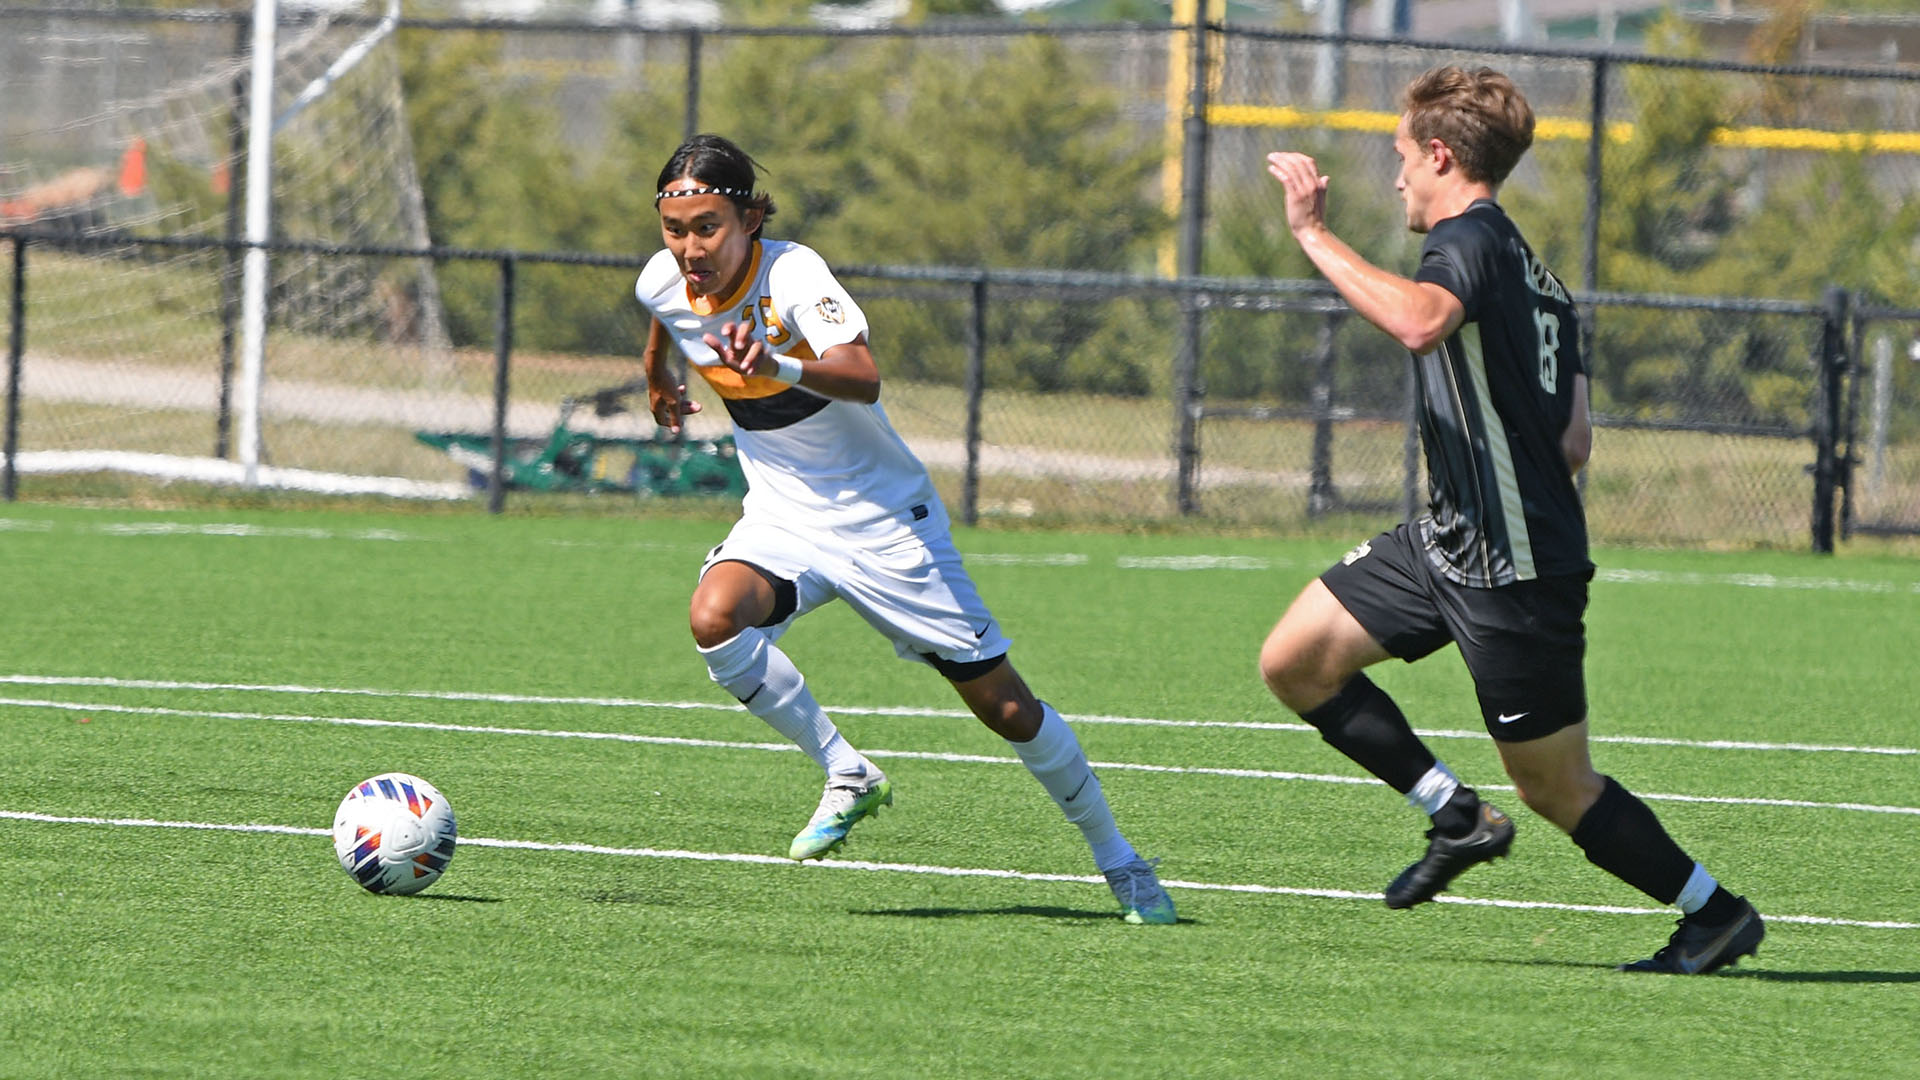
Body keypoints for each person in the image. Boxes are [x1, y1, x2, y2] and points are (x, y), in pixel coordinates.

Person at [1259, 66, 1762, 973]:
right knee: (1294, 661)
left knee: (1556, 786)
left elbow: (1420, 325)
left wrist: (1313, 233)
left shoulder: (1468, 241)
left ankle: (1714, 912)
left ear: (1441, 156)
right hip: (1448, 538)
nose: (1398, 177)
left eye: (1403, 158)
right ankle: (1455, 815)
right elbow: (1574, 441)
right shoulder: (1545, 282)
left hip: (1514, 568)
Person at [634, 133, 1175, 925]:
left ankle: (1122, 863)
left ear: (749, 216)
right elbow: (663, 315)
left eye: (708, 226)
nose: (690, 248)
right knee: (714, 617)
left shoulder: (794, 273)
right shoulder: (665, 279)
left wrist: (776, 366)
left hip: (884, 523)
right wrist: (659, 377)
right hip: (784, 514)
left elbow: (862, 374)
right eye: (676, 229)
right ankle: (846, 771)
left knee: (1007, 709)